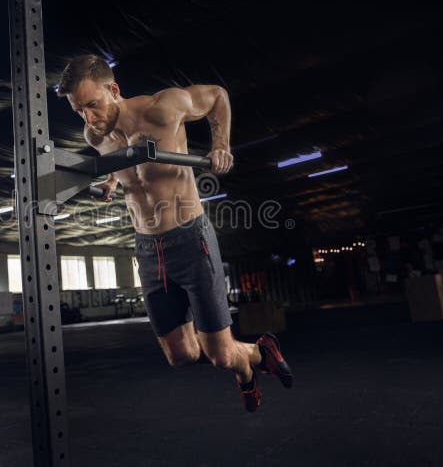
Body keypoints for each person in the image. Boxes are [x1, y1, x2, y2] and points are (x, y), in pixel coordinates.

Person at [57, 55, 293, 412]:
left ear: (114, 90)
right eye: (79, 110)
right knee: (180, 356)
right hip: (148, 250)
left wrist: (221, 145)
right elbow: (117, 163)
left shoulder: (162, 108)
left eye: (93, 105)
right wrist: (109, 180)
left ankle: (251, 364)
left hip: (189, 239)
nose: (88, 117)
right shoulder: (94, 134)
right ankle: (258, 353)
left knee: (220, 355)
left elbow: (217, 97)